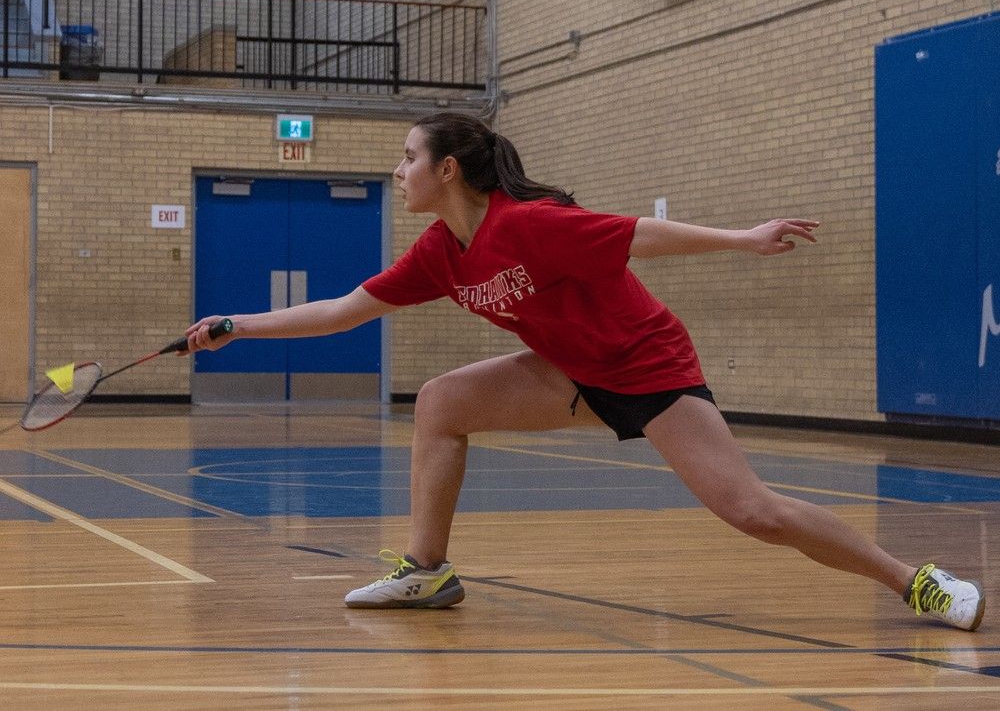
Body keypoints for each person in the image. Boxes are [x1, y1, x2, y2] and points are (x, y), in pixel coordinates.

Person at [185, 112, 985, 630]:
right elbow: (341, 310)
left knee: (752, 513)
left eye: (407, 159)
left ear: (449, 171)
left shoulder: (532, 225)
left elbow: (643, 235)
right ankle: (427, 571)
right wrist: (237, 327)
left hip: (649, 370)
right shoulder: (441, 252)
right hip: (568, 372)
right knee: (441, 401)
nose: (399, 173)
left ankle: (914, 581)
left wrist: (743, 239)